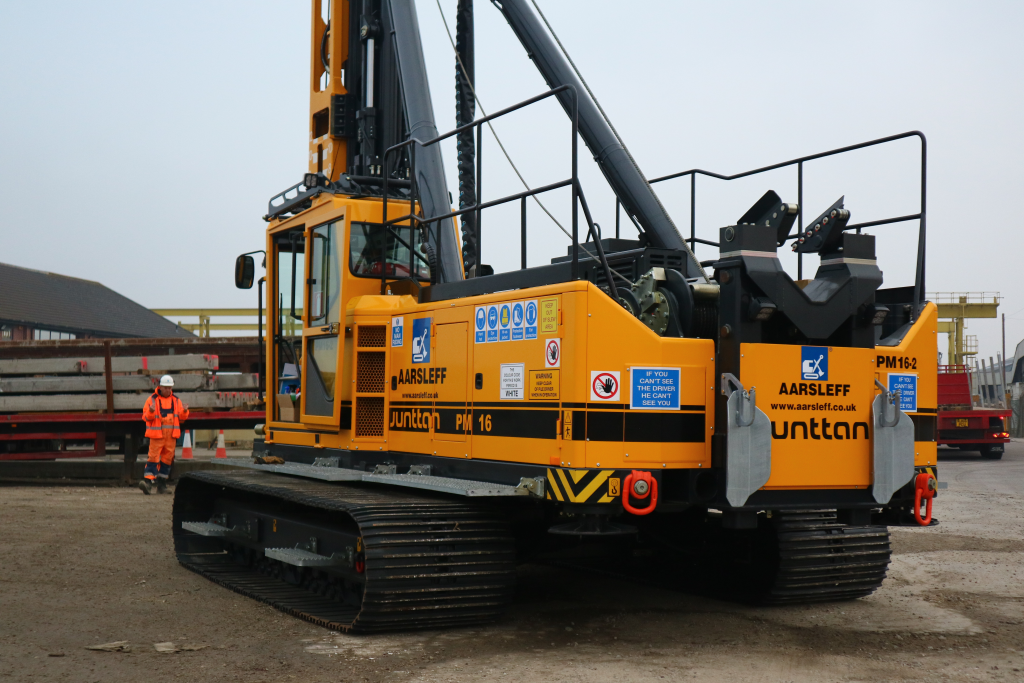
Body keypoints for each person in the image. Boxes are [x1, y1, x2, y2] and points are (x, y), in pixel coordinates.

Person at [139, 375, 189, 494]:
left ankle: (162, 485)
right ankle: (148, 483)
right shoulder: (152, 400)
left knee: (167, 460)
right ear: (160, 387)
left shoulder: (176, 400)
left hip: (170, 437)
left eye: (170, 388)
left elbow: (182, 418)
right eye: (166, 388)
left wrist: (185, 411)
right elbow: (145, 417)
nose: (168, 390)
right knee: (153, 458)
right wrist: (151, 411)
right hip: (157, 436)